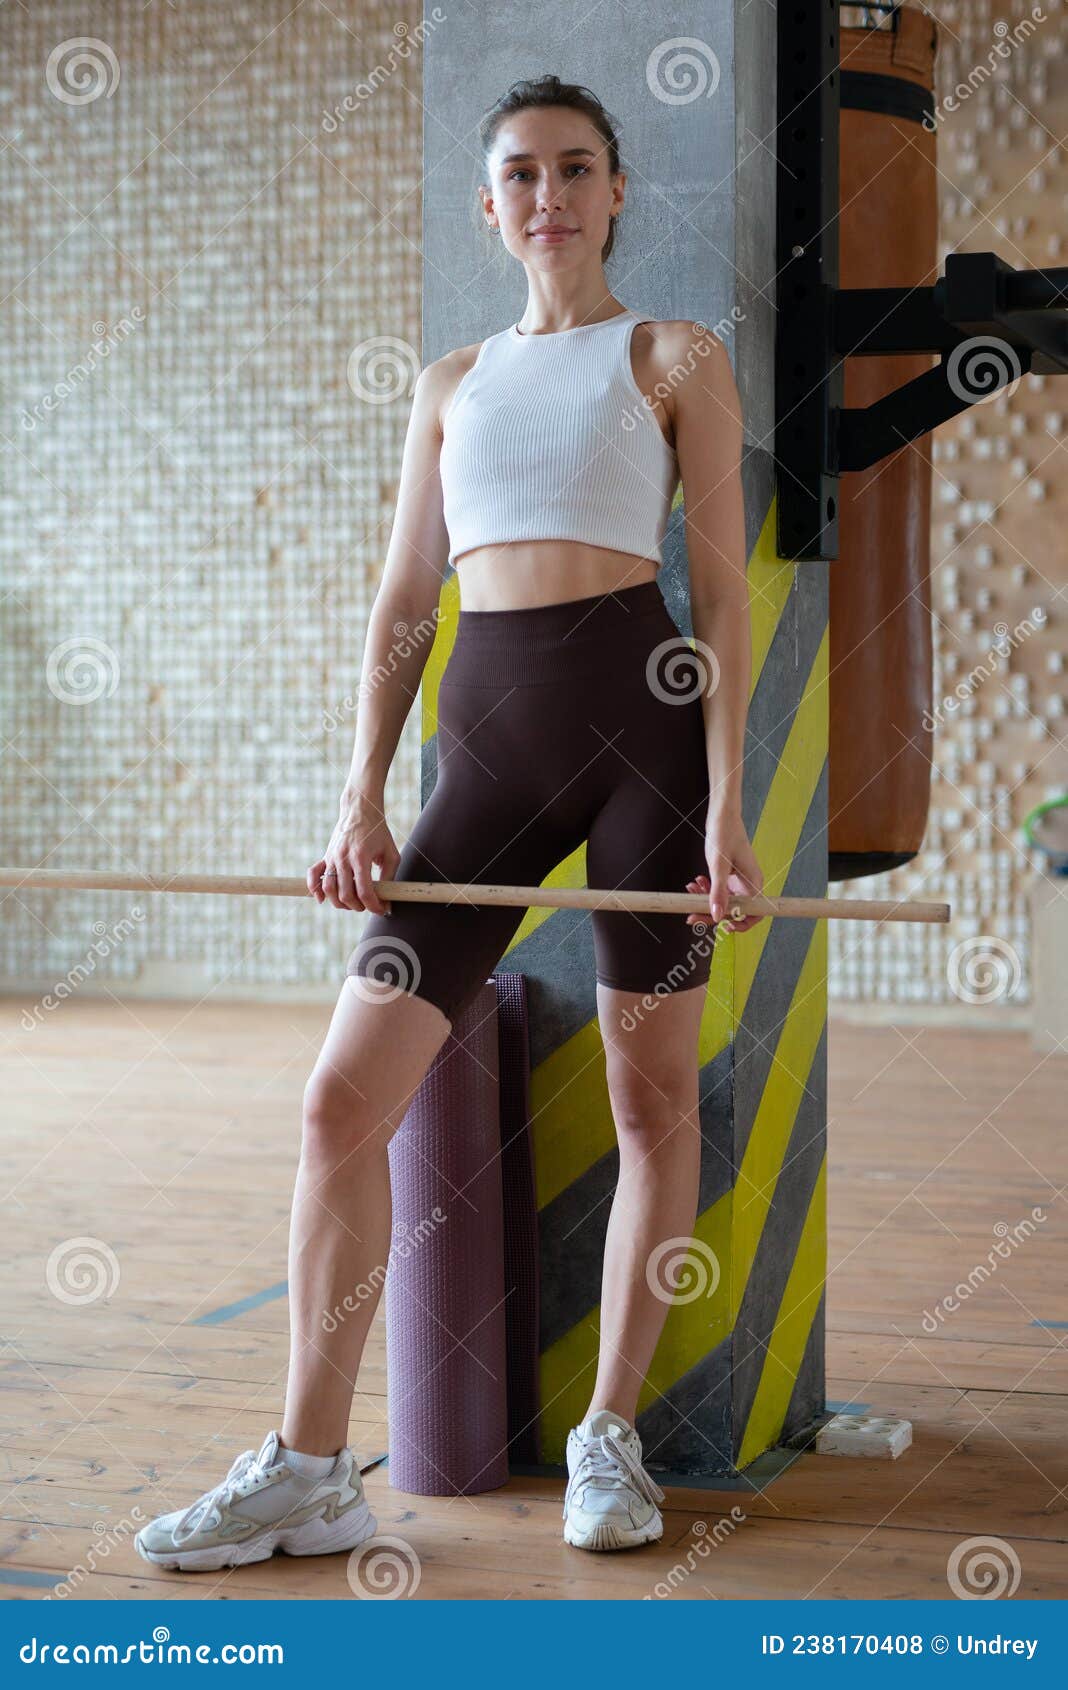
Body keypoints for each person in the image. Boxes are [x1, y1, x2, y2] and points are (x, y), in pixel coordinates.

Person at [135, 72, 763, 1573]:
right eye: (522, 174)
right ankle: (305, 1468)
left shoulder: (676, 355)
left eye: (577, 168)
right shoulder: (449, 382)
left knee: (647, 1104)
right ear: (489, 207)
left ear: (615, 193)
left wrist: (730, 805)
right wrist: (362, 791)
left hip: (645, 754)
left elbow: (725, 591)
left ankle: (608, 1433)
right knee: (340, 1104)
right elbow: (408, 601)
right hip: (478, 767)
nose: (550, 194)